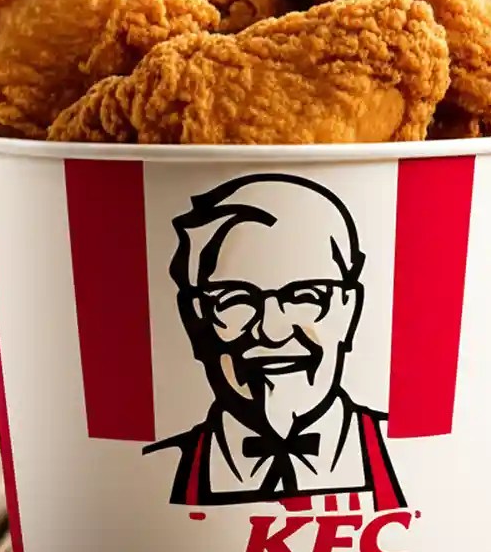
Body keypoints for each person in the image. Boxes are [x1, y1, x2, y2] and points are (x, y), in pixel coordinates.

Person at [144, 173, 407, 510]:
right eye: (235, 299)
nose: (273, 331)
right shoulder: (143, 475)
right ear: (195, 319)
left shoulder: (417, 456)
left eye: (306, 296)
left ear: (349, 310)